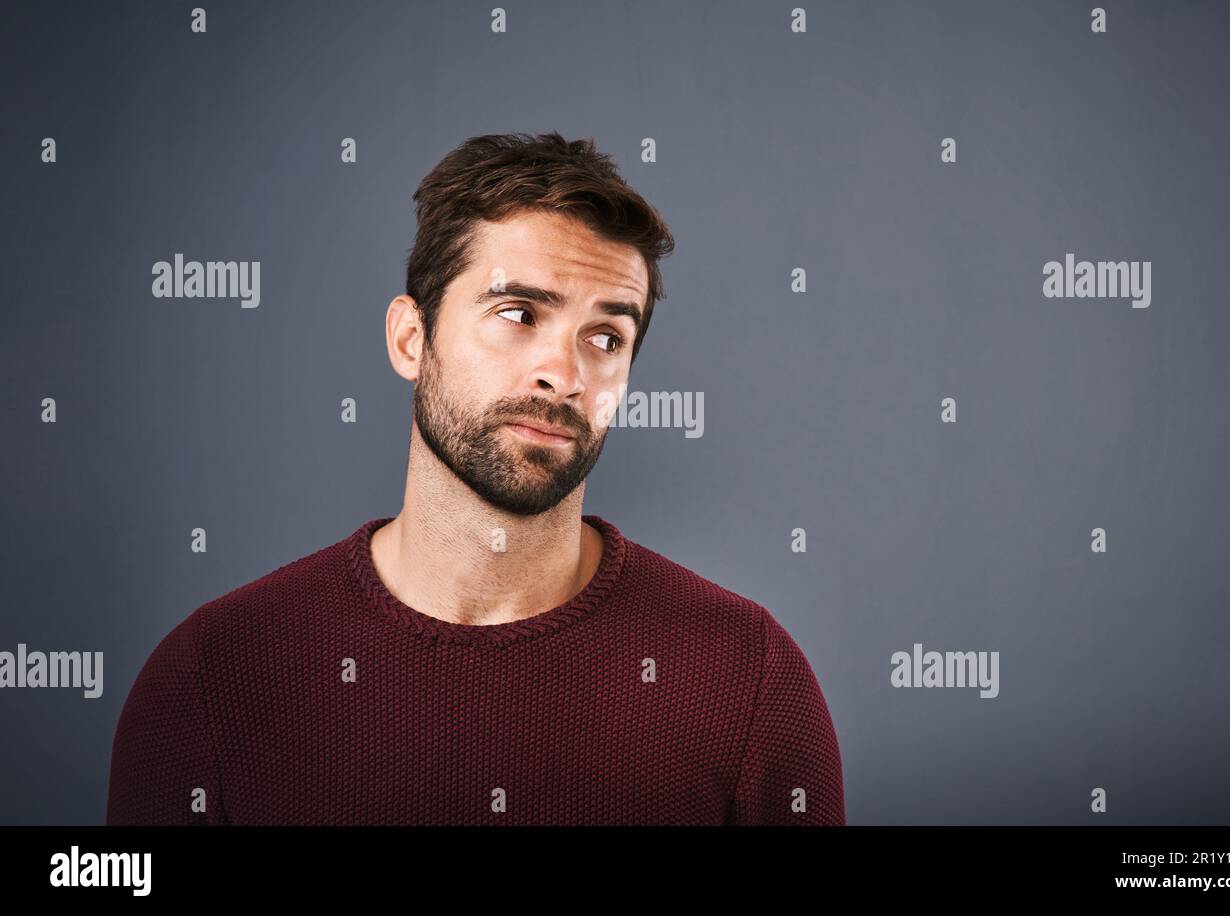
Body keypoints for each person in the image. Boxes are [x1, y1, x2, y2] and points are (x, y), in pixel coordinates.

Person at [106, 132, 846, 825]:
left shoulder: (748, 679)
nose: (565, 374)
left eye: (606, 337)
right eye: (518, 312)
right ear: (410, 338)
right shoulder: (213, 676)